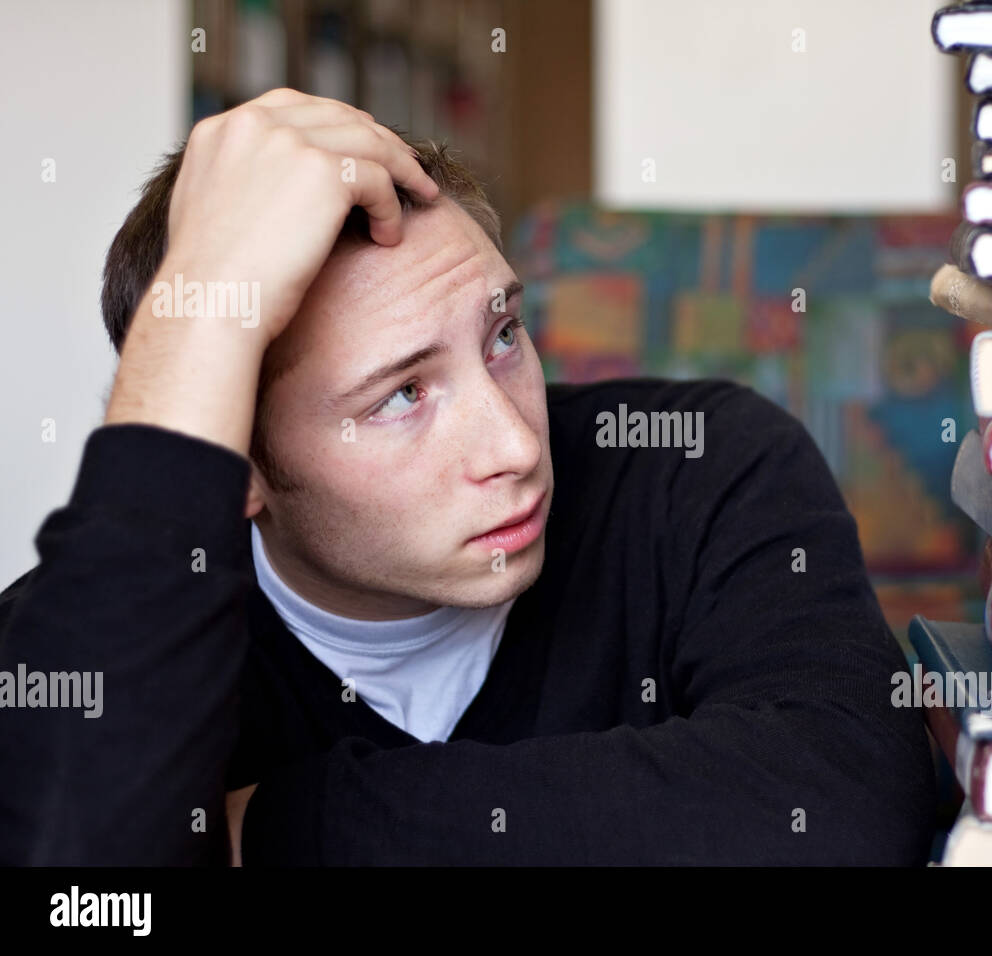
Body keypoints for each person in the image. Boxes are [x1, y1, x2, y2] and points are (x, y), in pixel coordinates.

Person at [0, 89, 936, 865]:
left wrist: (273, 829)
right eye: (401, 396)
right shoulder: (100, 630)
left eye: (501, 336)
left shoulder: (697, 462)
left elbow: (848, 807)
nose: (516, 447)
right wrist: (195, 322)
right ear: (240, 462)